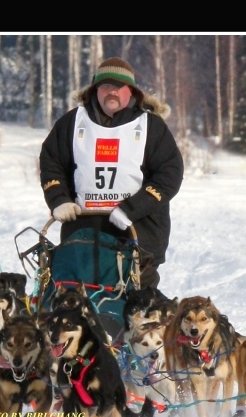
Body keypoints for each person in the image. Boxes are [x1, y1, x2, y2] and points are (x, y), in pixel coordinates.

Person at [39, 57, 184, 290]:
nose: (112, 92)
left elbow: (170, 175)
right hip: (82, 235)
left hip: (138, 237)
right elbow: (51, 163)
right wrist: (59, 199)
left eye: (119, 87)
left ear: (132, 92)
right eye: (105, 86)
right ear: (95, 90)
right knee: (79, 311)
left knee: (139, 313)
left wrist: (132, 208)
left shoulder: (152, 127)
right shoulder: (71, 123)